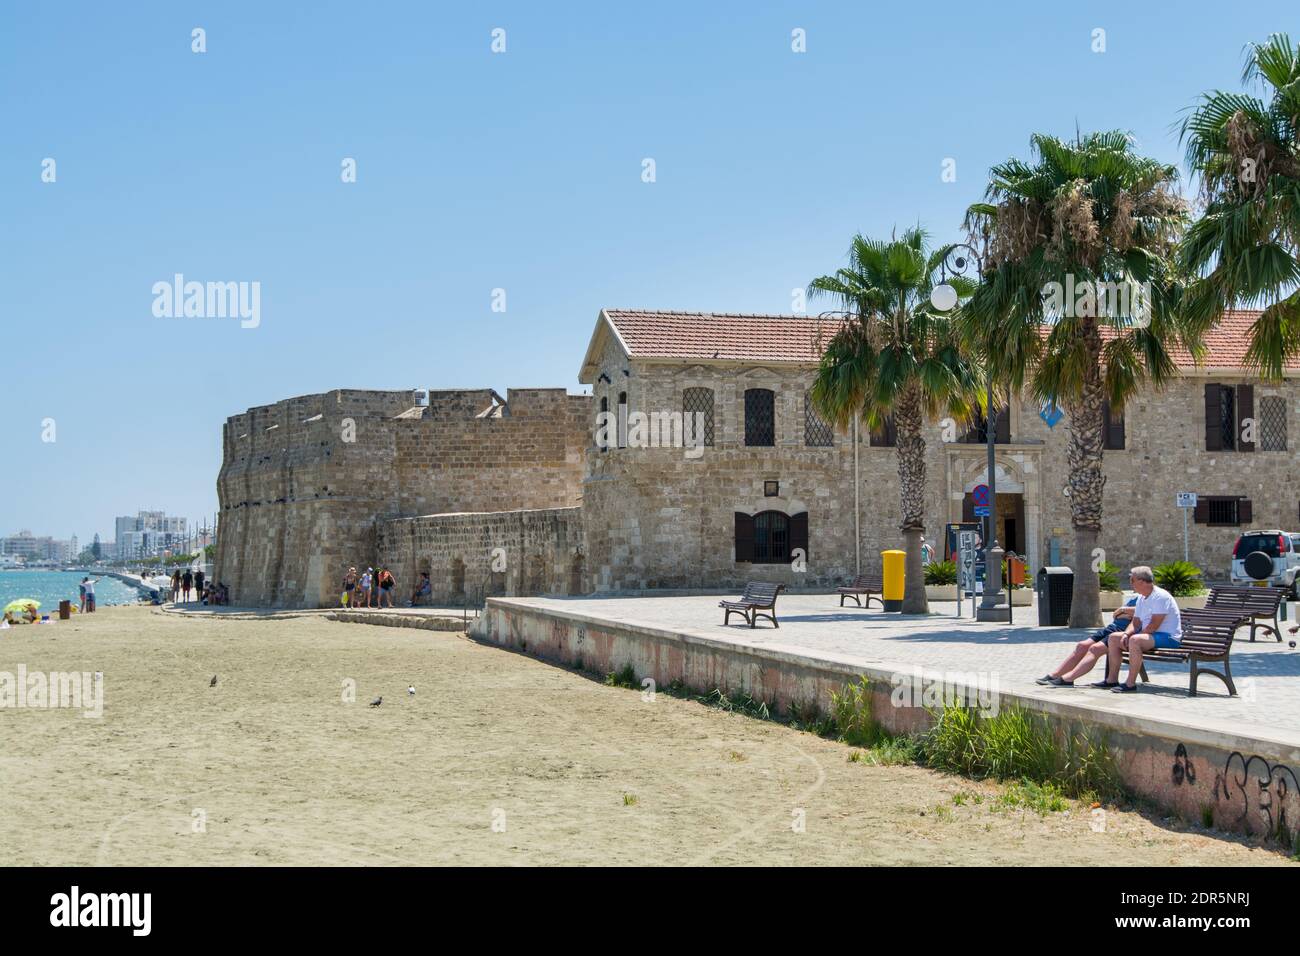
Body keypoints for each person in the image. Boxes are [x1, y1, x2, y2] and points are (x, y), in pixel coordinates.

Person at [1107, 565, 1182, 693]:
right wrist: (1126, 634)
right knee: (1113, 638)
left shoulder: (1161, 597)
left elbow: (1153, 626)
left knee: (1135, 640)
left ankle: (1130, 684)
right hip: (1150, 636)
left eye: (1132, 580)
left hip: (1168, 637)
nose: (1131, 584)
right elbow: (1135, 623)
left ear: (1141, 581)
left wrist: (1133, 637)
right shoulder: (1142, 597)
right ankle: (1111, 680)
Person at [1036, 597, 1137, 688]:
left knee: (1095, 649)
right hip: (1112, 627)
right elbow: (1116, 615)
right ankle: (1055, 675)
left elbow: (1139, 613)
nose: (1131, 583)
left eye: (1134, 580)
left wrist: (1122, 610)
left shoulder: (1150, 595)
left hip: (1122, 632)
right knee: (1082, 645)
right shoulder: (1138, 597)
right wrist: (1123, 612)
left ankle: (1068, 679)